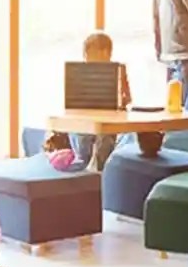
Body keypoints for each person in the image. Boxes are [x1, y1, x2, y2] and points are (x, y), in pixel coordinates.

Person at [54, 32, 132, 171]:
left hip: (107, 122)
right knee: (82, 136)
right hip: (84, 122)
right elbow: (71, 102)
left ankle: (98, 169)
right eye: (87, 54)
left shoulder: (118, 71)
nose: (88, 58)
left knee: (106, 134)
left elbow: (127, 101)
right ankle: (89, 164)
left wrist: (121, 97)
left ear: (106, 53)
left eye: (92, 53)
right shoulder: (79, 72)